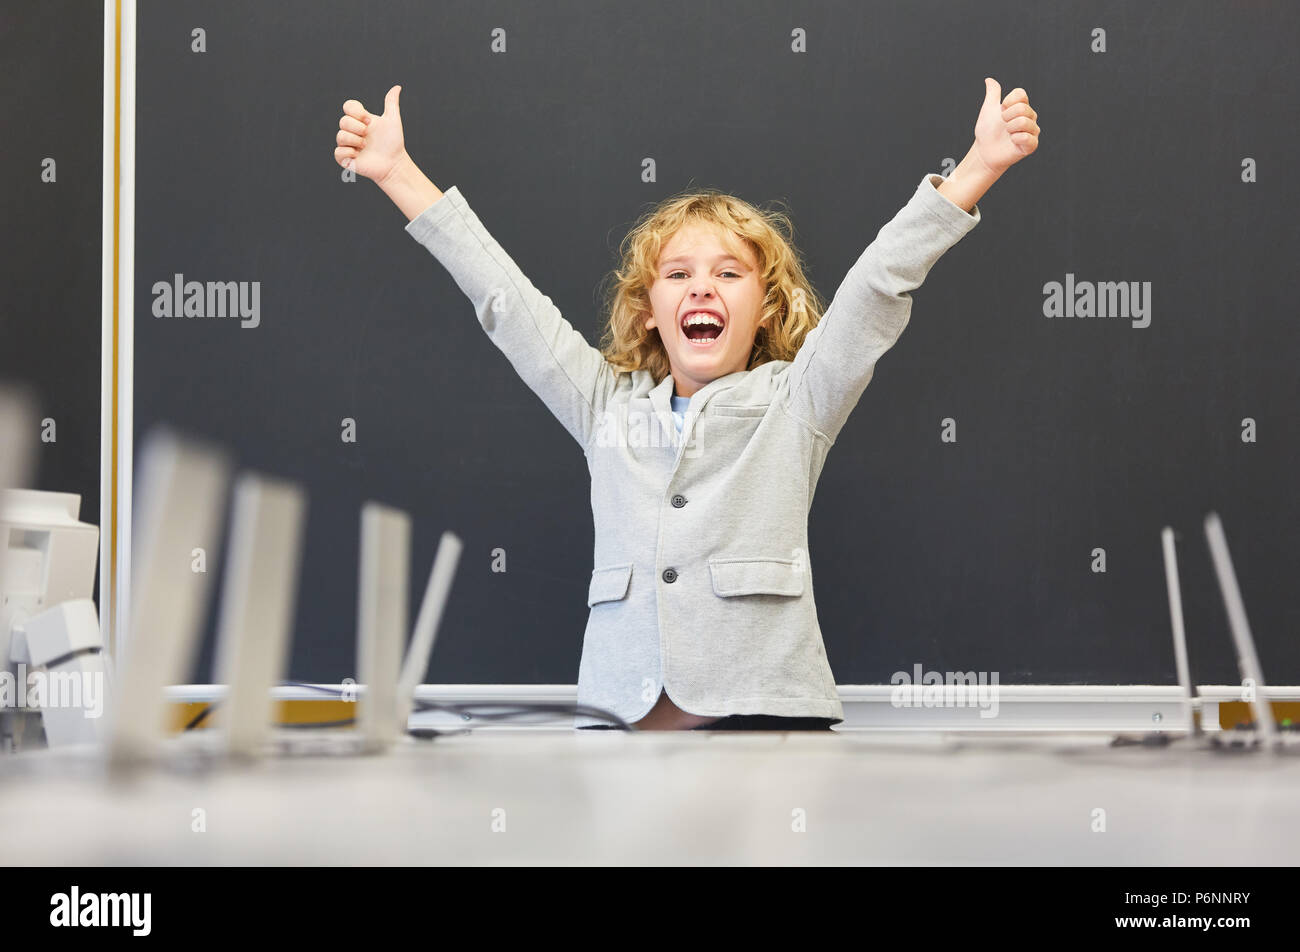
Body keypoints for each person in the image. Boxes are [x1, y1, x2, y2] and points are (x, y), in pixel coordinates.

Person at [333, 79, 1039, 731]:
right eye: (678, 275)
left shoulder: (799, 400)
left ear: (765, 309)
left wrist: (979, 166)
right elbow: (504, 302)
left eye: (729, 274)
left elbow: (878, 285)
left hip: (766, 718)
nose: (702, 289)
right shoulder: (604, 406)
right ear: (647, 312)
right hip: (621, 723)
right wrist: (397, 173)